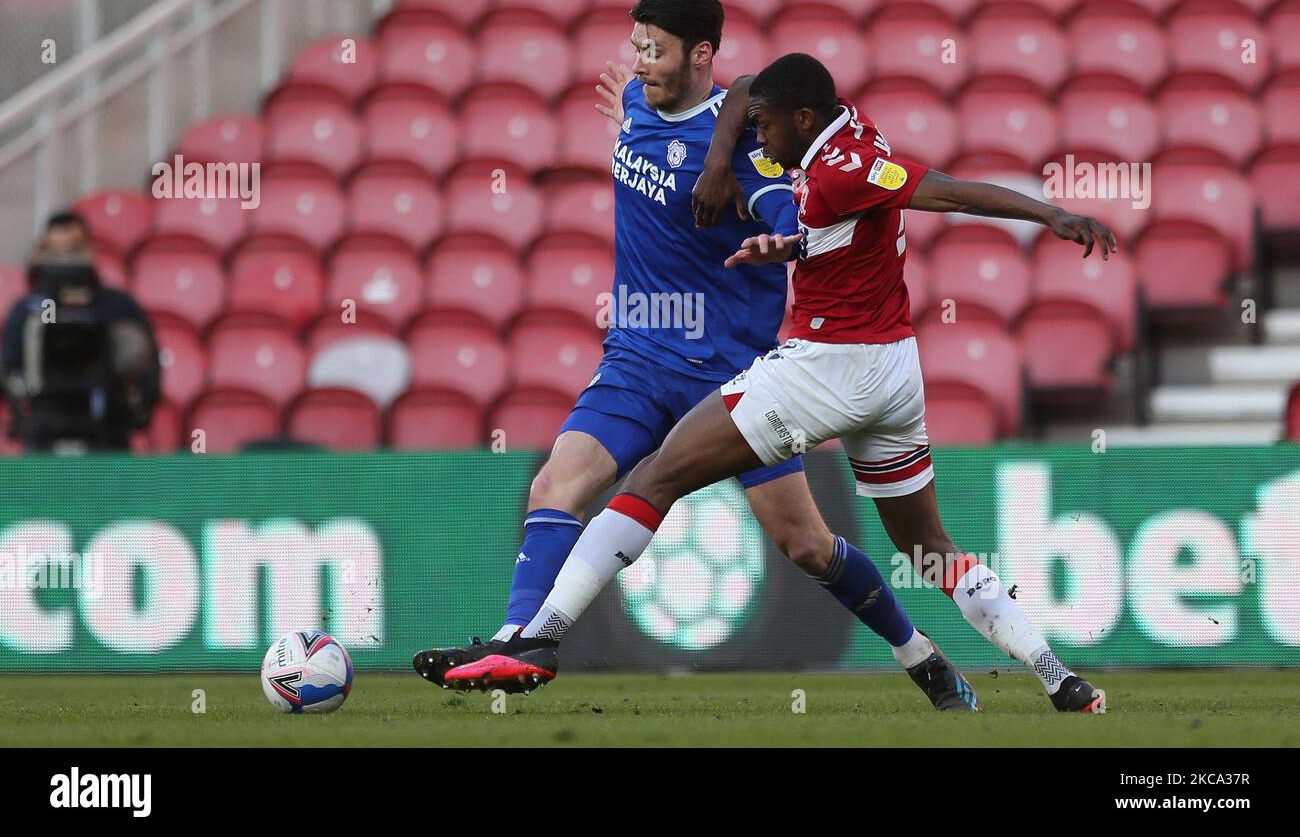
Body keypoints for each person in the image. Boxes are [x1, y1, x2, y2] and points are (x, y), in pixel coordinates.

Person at [445, 52, 1116, 714]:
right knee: (929, 550)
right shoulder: (841, 125)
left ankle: (543, 639)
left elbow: (944, 189)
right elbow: (743, 94)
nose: (757, 140)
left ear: (801, 118)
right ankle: (1057, 678)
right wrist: (767, 224)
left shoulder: (846, 169)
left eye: (767, 129)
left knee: (655, 479)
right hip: (895, 373)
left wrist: (1047, 214)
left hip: (828, 367)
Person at [415, 0, 978, 710]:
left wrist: (781, 235)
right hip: (638, 360)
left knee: (806, 545)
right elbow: (665, 111)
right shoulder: (638, 108)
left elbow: (776, 194)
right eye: (637, 47)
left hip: (729, 377)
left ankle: (920, 656)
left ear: (702, 53)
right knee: (556, 485)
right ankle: (515, 641)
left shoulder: (749, 145)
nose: (641, 61)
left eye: (656, 49)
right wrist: (631, 105)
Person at [1, 211, 159, 451]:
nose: (65, 261)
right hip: (44, 431)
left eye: (73, 250)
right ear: (43, 253)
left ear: (88, 250)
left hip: (108, 432)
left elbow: (147, 367)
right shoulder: (27, 311)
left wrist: (138, 406)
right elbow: (9, 367)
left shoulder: (118, 306)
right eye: (56, 252)